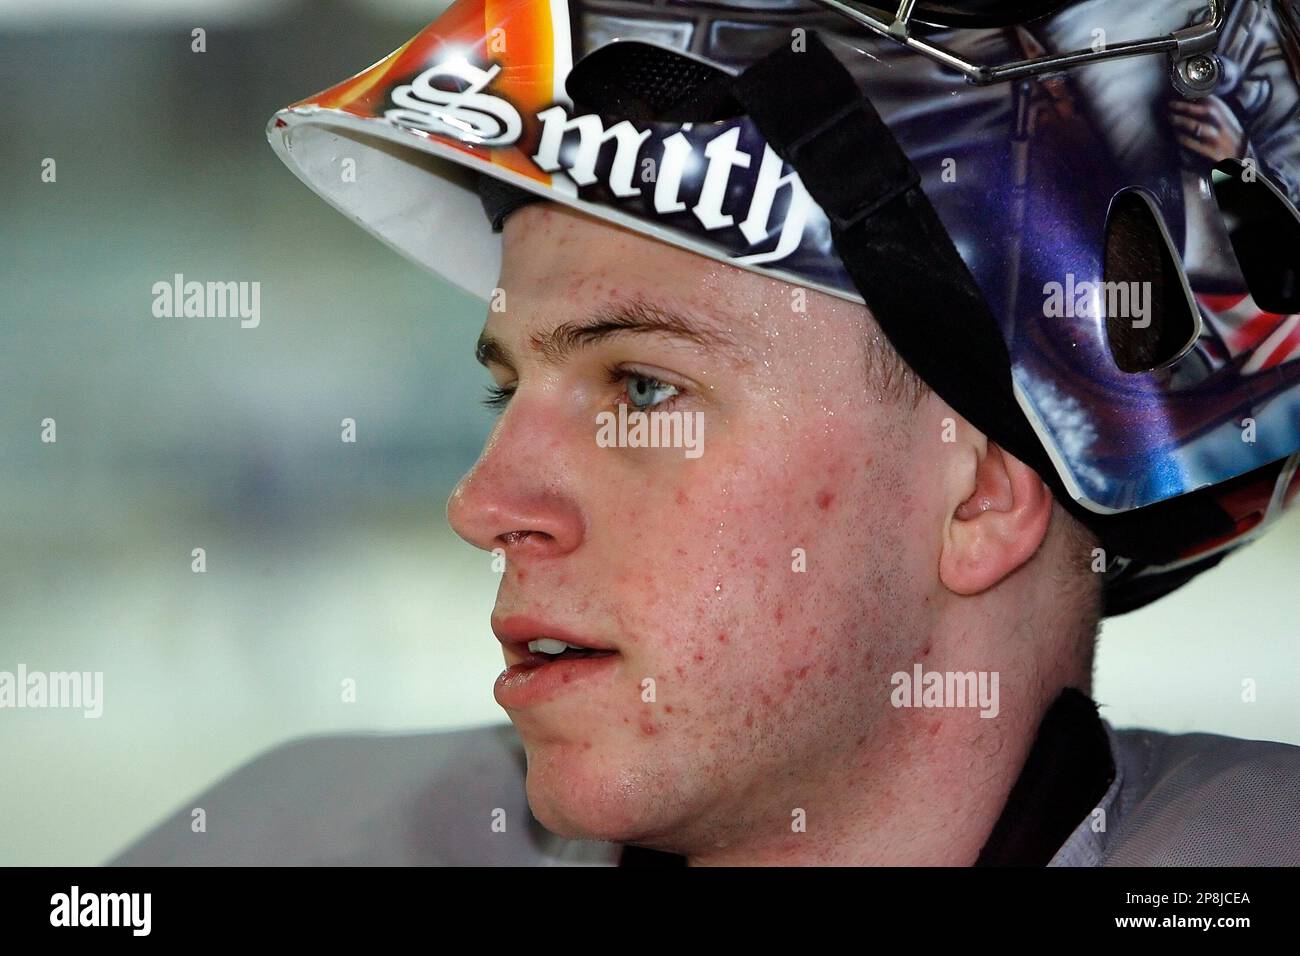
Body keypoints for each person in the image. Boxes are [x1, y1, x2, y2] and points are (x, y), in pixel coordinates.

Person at [110, 0, 1300, 866]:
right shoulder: (282, 841)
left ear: (983, 494)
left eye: (640, 388)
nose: (484, 503)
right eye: (504, 388)